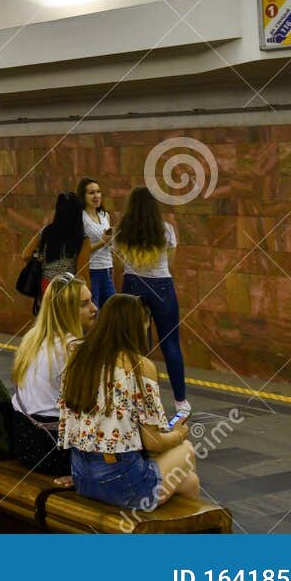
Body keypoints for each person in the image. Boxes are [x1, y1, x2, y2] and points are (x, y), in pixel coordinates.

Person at [58, 294, 200, 511]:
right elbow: (153, 442)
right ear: (139, 325)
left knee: (190, 482)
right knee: (187, 449)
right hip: (123, 482)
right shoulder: (140, 366)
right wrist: (179, 434)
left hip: (81, 475)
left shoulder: (77, 354)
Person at [11, 276, 97, 476]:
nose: (94, 308)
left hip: (22, 439)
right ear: (65, 311)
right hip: (53, 449)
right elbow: (88, 407)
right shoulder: (73, 348)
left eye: (91, 300)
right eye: (84, 304)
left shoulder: (33, 338)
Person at [115, 186, 189, 418]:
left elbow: (120, 262)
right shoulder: (166, 230)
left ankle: (138, 399)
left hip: (133, 286)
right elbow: (171, 262)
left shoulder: (122, 231)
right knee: (171, 344)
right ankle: (180, 402)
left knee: (134, 346)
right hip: (162, 287)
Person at [22, 191, 88, 293]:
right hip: (67, 288)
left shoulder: (46, 231)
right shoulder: (82, 238)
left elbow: (25, 255)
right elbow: (82, 273)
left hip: (46, 287)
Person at [80, 177, 116, 305]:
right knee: (92, 311)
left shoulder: (105, 215)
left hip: (107, 269)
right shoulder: (81, 217)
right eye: (91, 193)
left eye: (98, 192)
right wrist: (103, 241)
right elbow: (81, 249)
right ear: (83, 196)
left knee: (111, 310)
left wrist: (111, 240)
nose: (96, 196)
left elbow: (108, 244)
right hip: (91, 271)